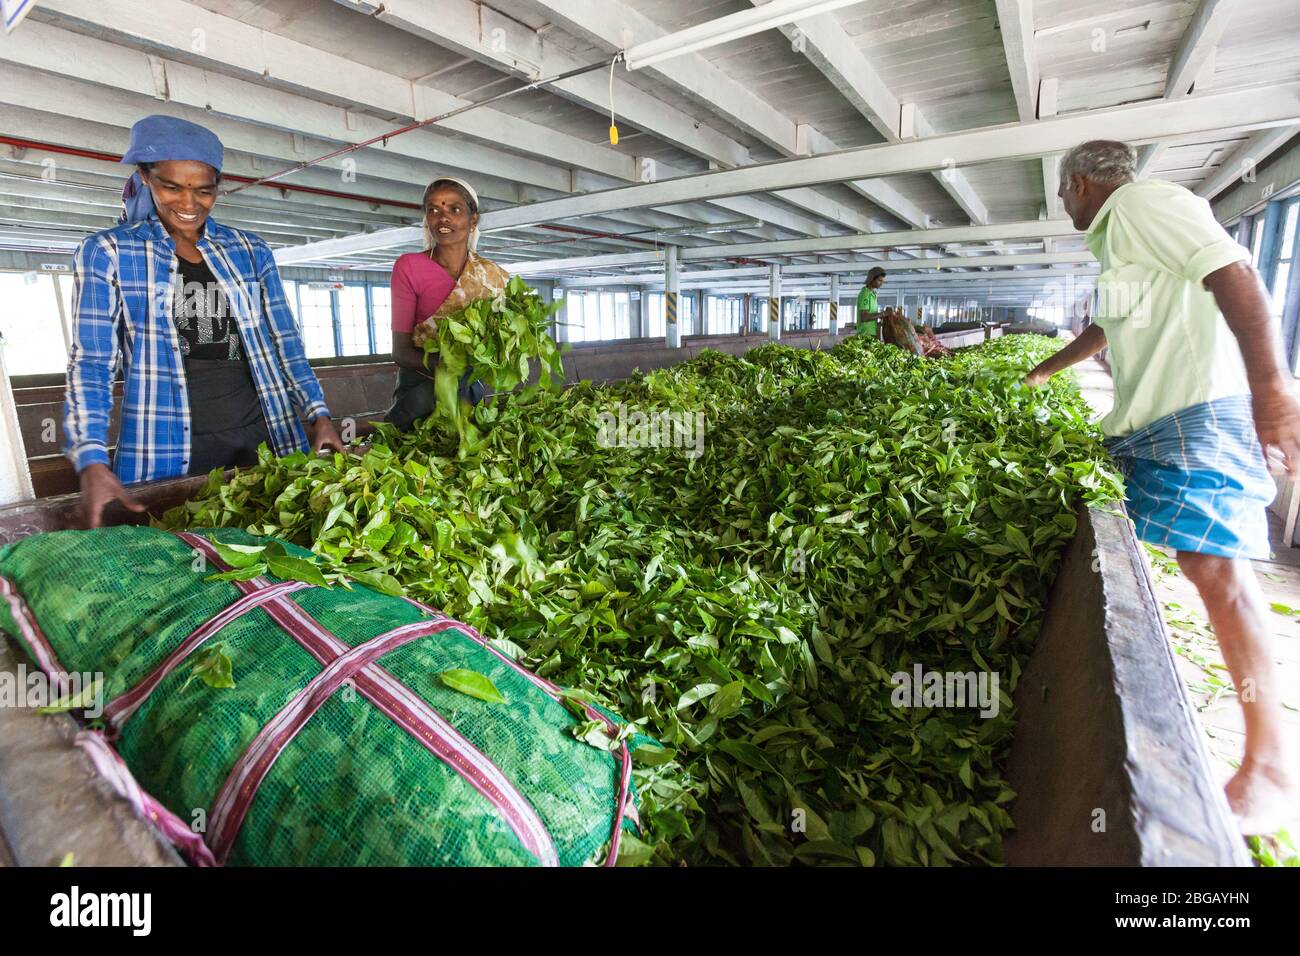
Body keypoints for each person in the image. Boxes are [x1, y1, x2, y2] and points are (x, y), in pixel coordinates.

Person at [1023, 139, 1300, 833]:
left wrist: (1273, 390)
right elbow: (1104, 331)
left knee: (1218, 570)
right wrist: (1040, 373)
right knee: (1194, 562)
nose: (1064, 207)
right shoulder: (1120, 241)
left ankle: (1270, 765)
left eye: (1062, 195)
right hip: (1152, 425)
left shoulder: (1147, 204)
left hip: (1196, 414)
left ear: (1081, 184)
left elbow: (1234, 273)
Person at [64, 115, 343, 529]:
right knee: (179, 551)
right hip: (165, 446)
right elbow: (91, 363)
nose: (189, 204)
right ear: (145, 177)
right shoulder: (107, 252)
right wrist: (90, 456)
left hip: (262, 432)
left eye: (204, 190)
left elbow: (285, 341)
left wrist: (318, 414)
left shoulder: (248, 249)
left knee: (275, 540)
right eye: (171, 187)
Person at [385, 177, 511, 431]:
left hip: (468, 396)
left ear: (473, 219)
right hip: (419, 399)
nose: (443, 218)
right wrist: (448, 368)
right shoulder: (409, 267)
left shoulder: (491, 275)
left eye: (454, 209)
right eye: (434, 210)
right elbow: (400, 353)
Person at [855, 267, 890, 339]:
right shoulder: (865, 294)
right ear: (872, 279)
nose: (881, 283)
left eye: (882, 281)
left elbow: (872, 315)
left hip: (871, 333)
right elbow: (864, 317)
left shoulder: (873, 294)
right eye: (879, 280)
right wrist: (882, 314)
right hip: (865, 335)